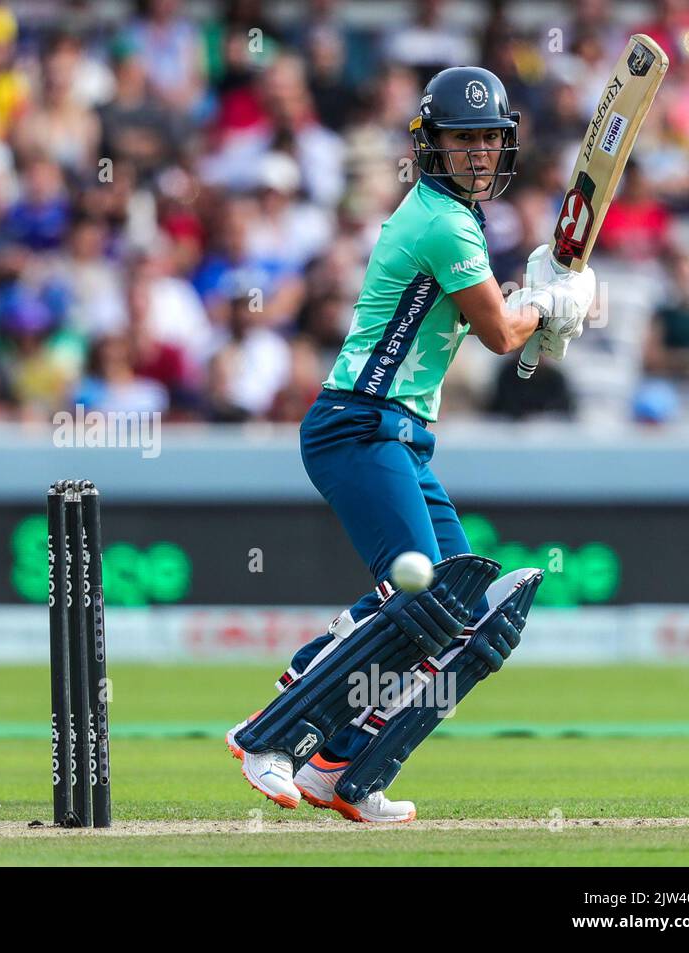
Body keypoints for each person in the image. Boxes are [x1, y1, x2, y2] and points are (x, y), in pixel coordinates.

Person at [227, 68, 596, 822]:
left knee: (460, 610)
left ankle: (344, 771)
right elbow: (500, 334)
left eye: (488, 139)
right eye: (461, 140)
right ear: (430, 146)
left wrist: (544, 305)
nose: (476, 154)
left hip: (401, 433)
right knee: (424, 598)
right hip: (360, 423)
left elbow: (500, 322)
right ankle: (269, 737)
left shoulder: (457, 220)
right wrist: (550, 303)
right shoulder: (441, 220)